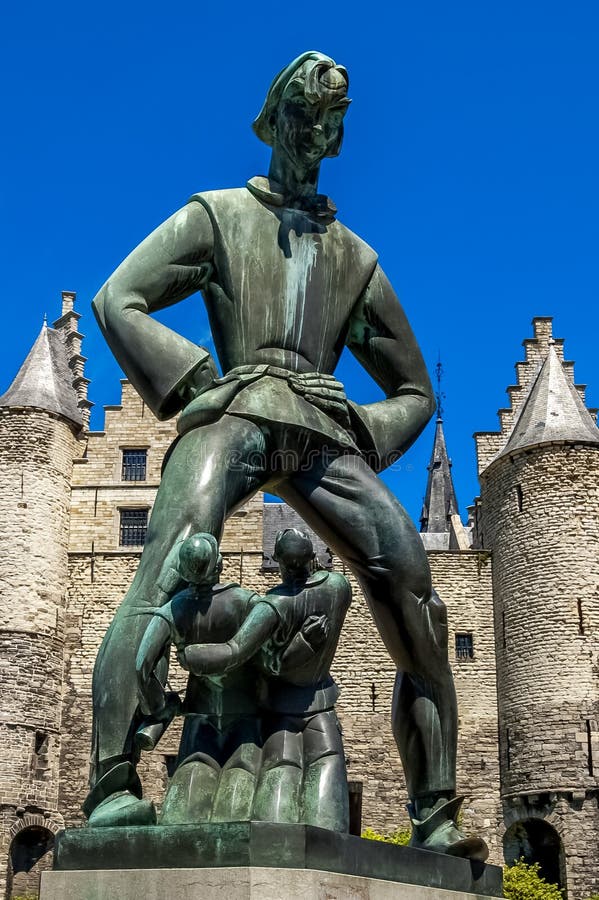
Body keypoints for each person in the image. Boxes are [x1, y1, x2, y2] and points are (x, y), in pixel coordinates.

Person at [90, 50, 486, 859]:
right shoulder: (217, 215)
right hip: (236, 413)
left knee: (414, 591)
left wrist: (365, 425)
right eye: (303, 114)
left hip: (320, 436)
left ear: (337, 134)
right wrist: (200, 384)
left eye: (330, 118)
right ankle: (113, 783)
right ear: (273, 122)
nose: (315, 130)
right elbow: (118, 298)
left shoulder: (354, 258)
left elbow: (414, 390)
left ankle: (435, 809)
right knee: (168, 563)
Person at [184, 528, 351, 831]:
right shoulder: (339, 588)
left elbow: (236, 652)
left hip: (280, 712)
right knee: (327, 788)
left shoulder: (274, 605)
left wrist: (191, 655)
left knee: (279, 783)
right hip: (321, 704)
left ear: (279, 563)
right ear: (312, 558)